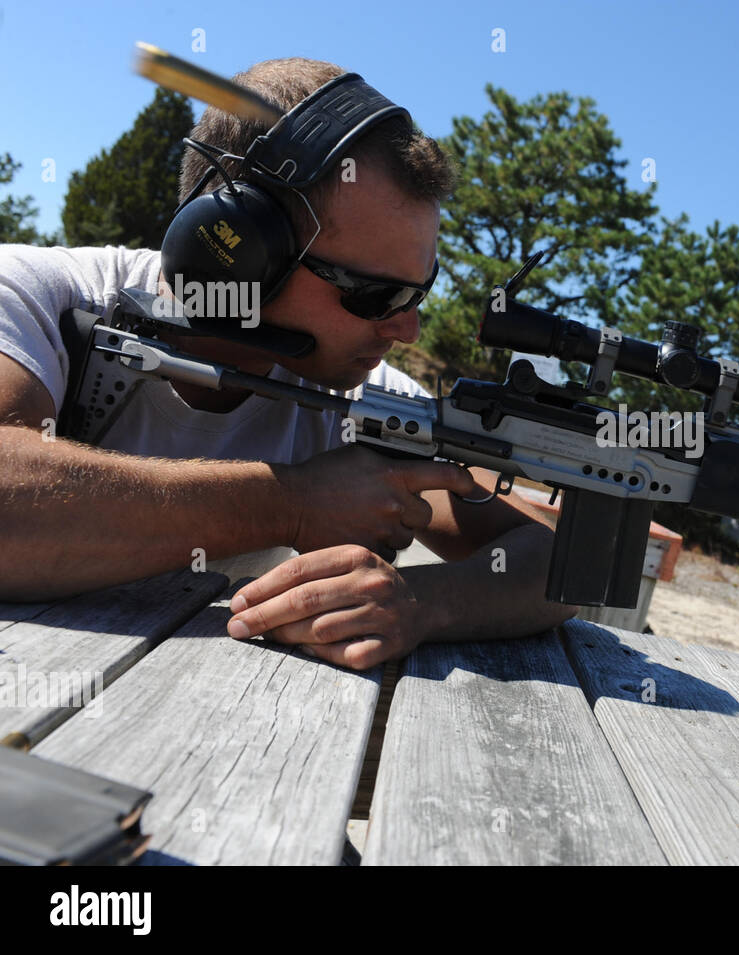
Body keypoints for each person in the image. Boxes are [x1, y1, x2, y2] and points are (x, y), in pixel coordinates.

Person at [0, 57, 578, 668]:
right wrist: (292, 504)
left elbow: (555, 559)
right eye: (374, 294)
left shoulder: (363, 401)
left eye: (418, 293)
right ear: (233, 252)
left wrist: (418, 604)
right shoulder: (37, 294)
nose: (407, 329)